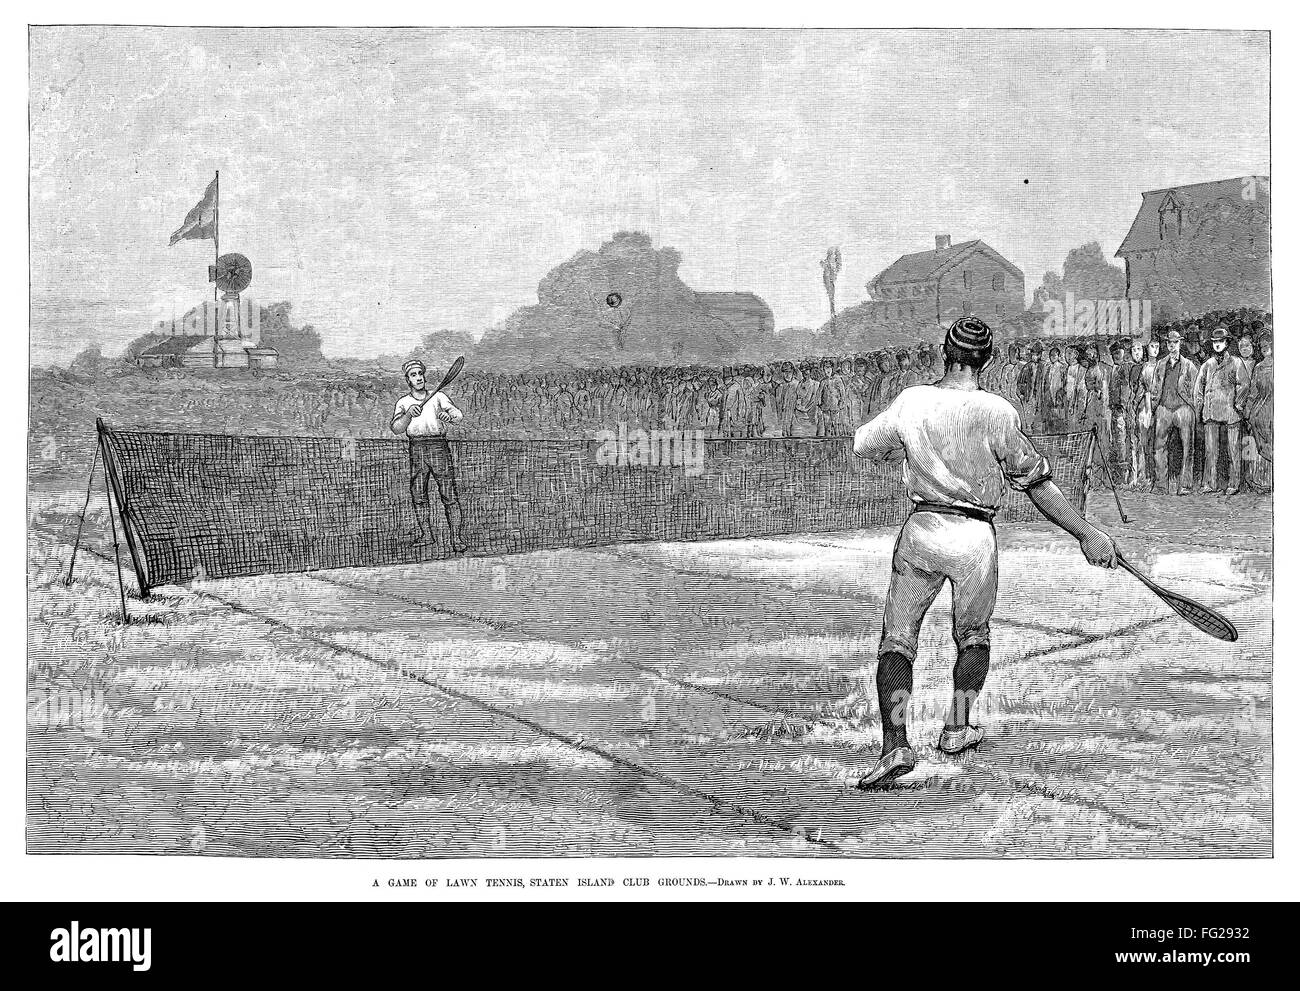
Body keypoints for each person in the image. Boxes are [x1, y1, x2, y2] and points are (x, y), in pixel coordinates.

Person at [852, 316, 1118, 789]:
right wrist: (1086, 533)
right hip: (975, 537)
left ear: (944, 352)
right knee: (973, 637)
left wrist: (909, 450)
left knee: (898, 641)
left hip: (923, 528)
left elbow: (863, 444)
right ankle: (956, 728)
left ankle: (895, 745)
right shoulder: (998, 412)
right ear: (987, 359)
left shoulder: (911, 400)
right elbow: (1036, 483)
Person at [391, 359, 468, 553]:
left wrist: (447, 417)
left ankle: (456, 538)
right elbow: (396, 428)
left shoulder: (438, 397)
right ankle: (426, 535)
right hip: (416, 449)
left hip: (438, 447)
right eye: (413, 375)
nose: (418, 378)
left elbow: (458, 415)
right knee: (418, 494)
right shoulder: (404, 402)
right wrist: (408, 415)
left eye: (420, 373)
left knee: (448, 494)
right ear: (408, 380)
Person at [1194, 326, 1250, 495]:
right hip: (1210, 412)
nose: (1217, 345)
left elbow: (1244, 385)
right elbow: (1198, 389)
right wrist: (1200, 409)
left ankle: (1233, 484)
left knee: (1233, 450)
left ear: (1227, 343)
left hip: (1230, 412)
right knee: (1211, 451)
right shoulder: (1207, 365)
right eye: (1215, 342)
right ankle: (1209, 484)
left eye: (1221, 341)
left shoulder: (1236, 362)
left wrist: (1238, 405)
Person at [1151, 330, 1199, 495]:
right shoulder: (1160, 365)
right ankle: (1161, 485)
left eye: (1175, 342)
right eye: (1169, 343)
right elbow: (1155, 388)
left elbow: (1195, 390)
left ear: (1180, 343)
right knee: (1159, 447)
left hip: (1183, 408)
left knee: (1188, 447)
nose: (1172, 346)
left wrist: (1192, 409)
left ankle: (1184, 485)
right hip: (1164, 408)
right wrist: (1154, 409)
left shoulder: (1189, 366)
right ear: (1166, 344)